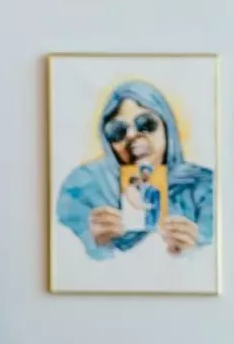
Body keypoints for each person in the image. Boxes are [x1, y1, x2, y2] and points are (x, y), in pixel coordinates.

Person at [56, 81, 213, 260]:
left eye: (146, 124)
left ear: (167, 127)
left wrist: (197, 247)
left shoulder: (206, 187)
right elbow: (61, 259)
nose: (131, 136)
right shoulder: (83, 187)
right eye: (117, 131)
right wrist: (91, 242)